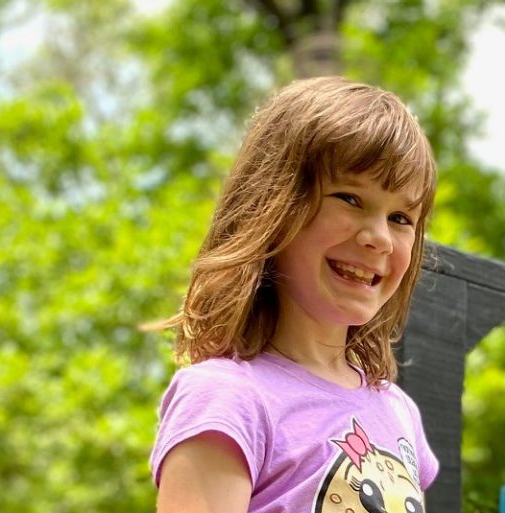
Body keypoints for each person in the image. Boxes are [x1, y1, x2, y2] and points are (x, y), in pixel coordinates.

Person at [146, 77, 438, 513]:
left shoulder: (398, 412)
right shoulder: (228, 398)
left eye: (400, 217)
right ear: (272, 207)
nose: (379, 237)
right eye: (350, 199)